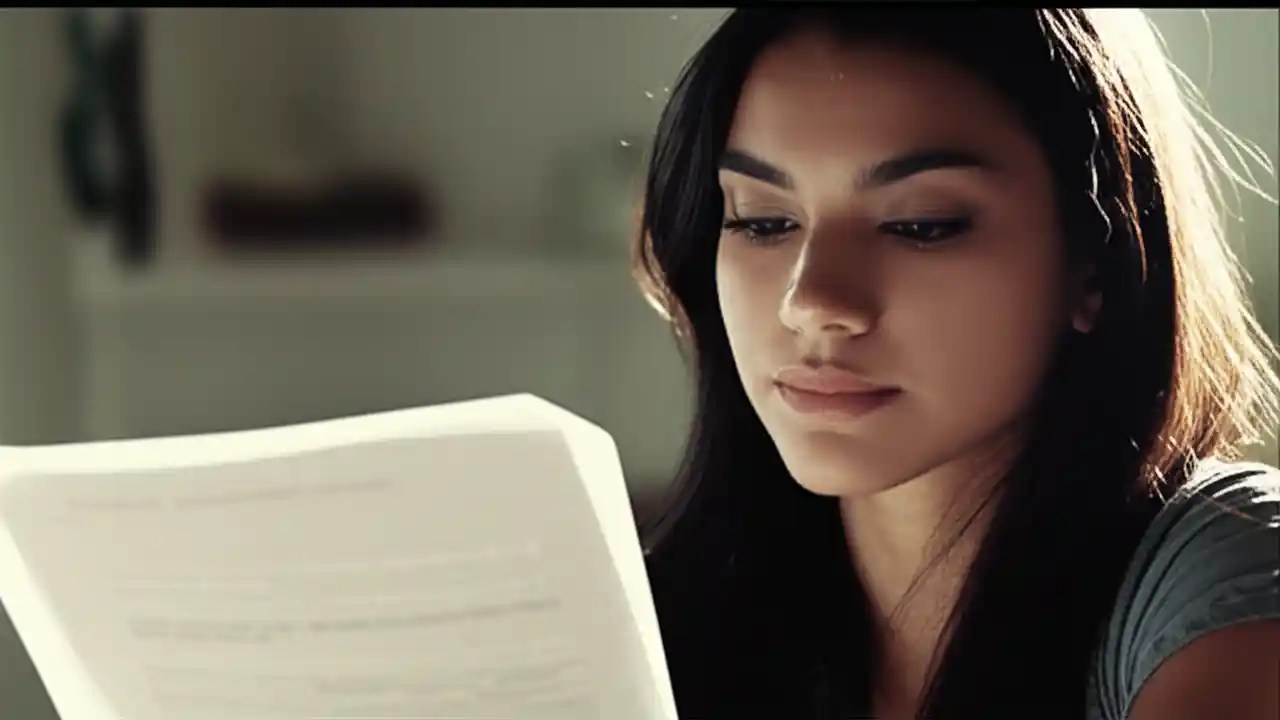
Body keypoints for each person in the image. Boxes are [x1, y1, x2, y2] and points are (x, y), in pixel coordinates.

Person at [630, 7, 1280, 719]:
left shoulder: (1227, 578)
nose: (812, 300)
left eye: (920, 226)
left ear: (1094, 267)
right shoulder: (662, 622)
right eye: (763, 221)